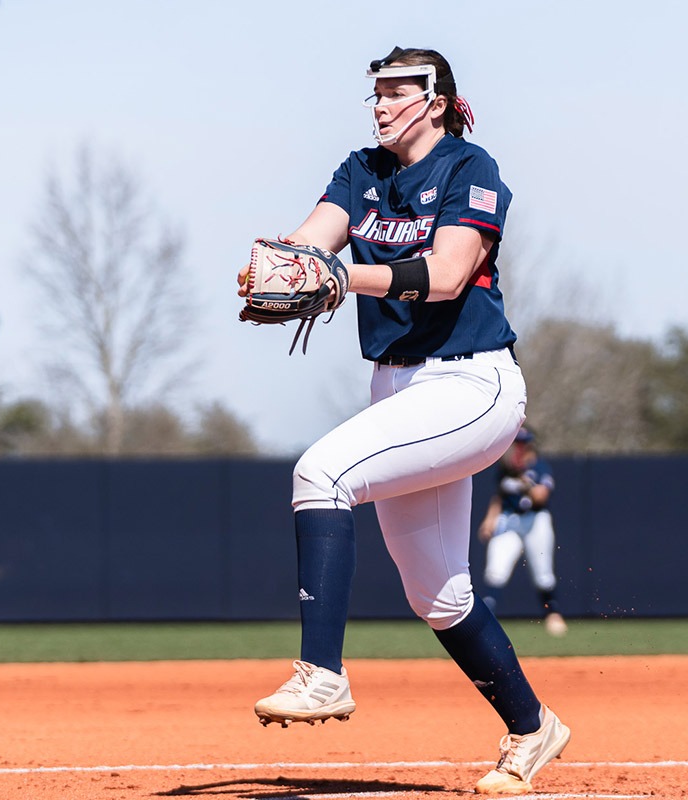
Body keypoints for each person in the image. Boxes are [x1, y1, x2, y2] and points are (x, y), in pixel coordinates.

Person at [237, 46, 570, 794]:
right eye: (376, 93)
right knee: (439, 595)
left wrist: (337, 276)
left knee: (319, 473)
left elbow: (449, 275)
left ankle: (321, 672)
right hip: (395, 388)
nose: (382, 104)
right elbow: (313, 239)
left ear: (438, 100)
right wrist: (286, 263)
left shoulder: (468, 169)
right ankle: (532, 727)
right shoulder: (361, 171)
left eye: (397, 92)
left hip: (472, 385)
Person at [477, 427, 568, 637]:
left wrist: (525, 482)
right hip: (509, 519)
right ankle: (486, 619)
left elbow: (541, 497)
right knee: (495, 569)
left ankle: (553, 614)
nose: (517, 448)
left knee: (543, 573)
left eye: (521, 443)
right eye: (515, 443)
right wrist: (490, 519)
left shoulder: (540, 467)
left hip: (535, 520)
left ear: (529, 445)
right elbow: (499, 496)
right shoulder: (505, 468)